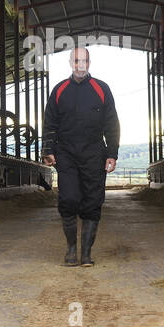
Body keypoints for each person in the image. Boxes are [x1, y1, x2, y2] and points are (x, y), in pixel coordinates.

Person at [41, 46, 119, 267]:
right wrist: (48, 150)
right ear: (70, 63)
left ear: (89, 63)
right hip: (66, 153)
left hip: (94, 152)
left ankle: (86, 253)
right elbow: (49, 123)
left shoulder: (101, 89)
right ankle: (71, 249)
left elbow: (111, 123)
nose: (80, 64)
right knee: (69, 199)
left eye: (84, 60)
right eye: (76, 60)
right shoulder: (59, 90)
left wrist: (112, 153)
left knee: (92, 202)